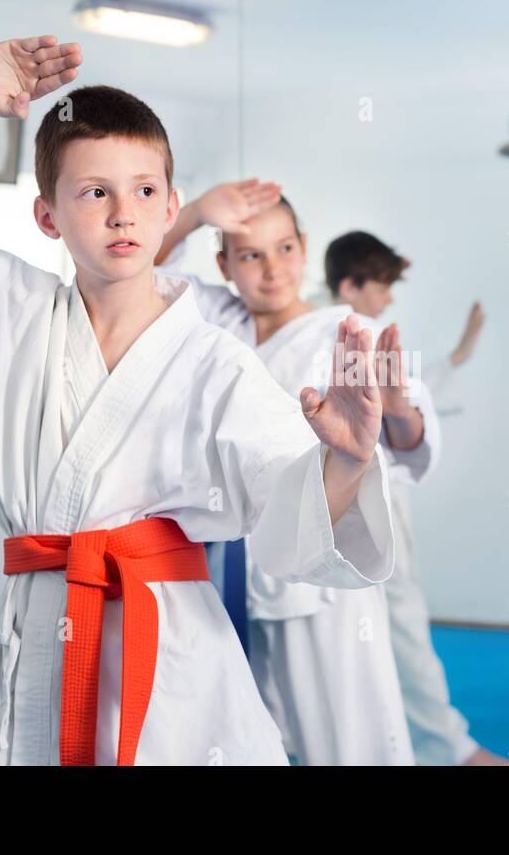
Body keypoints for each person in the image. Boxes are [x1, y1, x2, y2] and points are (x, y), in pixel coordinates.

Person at [0, 35, 399, 765]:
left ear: (172, 206)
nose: (123, 215)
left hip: (172, 654)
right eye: (93, 192)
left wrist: (348, 459)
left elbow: (291, 507)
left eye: (145, 191)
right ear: (47, 215)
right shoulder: (3, 316)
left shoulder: (216, 363)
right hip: (34, 634)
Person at [156, 192, 437, 765]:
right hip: (229, 570)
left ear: (304, 249)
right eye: (250, 255)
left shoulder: (346, 330)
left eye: (285, 248)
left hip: (323, 583)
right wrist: (196, 213)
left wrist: (400, 411)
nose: (273, 269)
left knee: (346, 740)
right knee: (245, 738)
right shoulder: (217, 320)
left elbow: (408, 443)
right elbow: (139, 274)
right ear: (224, 266)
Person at [323, 229, 500, 765]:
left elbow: (409, 395)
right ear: (351, 285)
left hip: (357, 497)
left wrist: (461, 353)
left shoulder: (354, 335)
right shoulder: (328, 335)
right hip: (349, 500)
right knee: (395, 623)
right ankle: (447, 748)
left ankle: (423, 743)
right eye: (381, 285)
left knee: (377, 626)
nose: (389, 297)